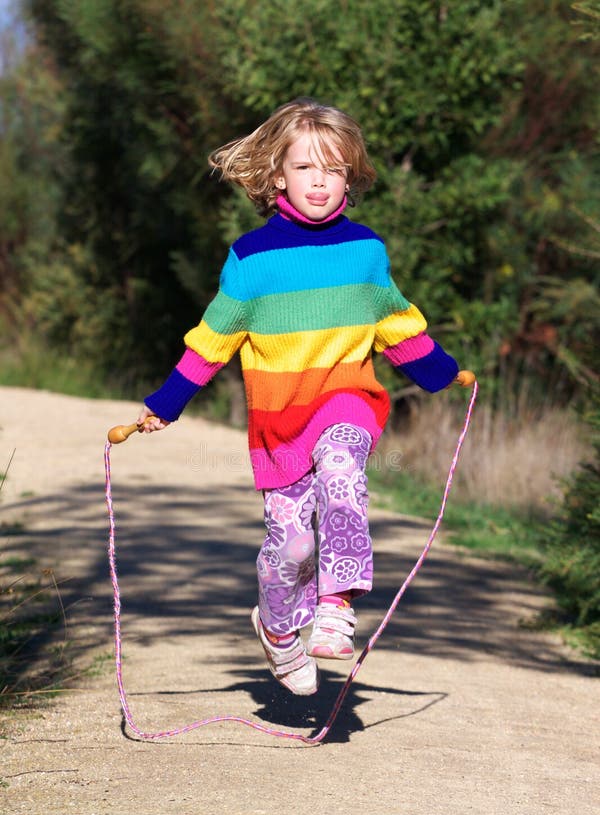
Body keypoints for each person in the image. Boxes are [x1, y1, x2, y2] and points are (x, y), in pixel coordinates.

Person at [137, 97, 472, 696]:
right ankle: (279, 630)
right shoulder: (251, 259)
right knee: (290, 545)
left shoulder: (366, 252)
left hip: (346, 402)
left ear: (350, 176)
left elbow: (395, 325)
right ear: (277, 177)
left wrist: (443, 373)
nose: (321, 181)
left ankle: (338, 603)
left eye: (335, 169)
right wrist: (166, 402)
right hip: (278, 425)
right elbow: (212, 340)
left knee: (344, 472)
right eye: (307, 168)